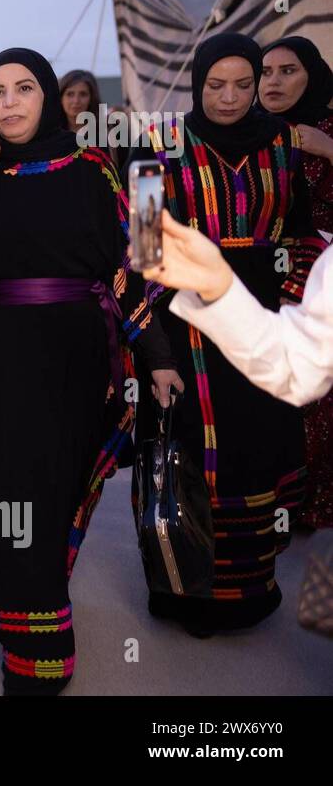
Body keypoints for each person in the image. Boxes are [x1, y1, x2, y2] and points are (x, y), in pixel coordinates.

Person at [0, 48, 176, 694]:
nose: (9, 103)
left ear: (49, 95)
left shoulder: (92, 167)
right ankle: (35, 655)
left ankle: (45, 606)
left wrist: (159, 356)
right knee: (5, 503)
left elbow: (134, 264)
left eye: (24, 88)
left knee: (51, 497)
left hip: (70, 362)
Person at [134, 32, 327, 636]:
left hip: (261, 322)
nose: (231, 97)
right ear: (197, 82)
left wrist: (293, 285)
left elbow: (301, 231)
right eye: (216, 85)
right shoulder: (159, 143)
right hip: (186, 319)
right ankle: (188, 593)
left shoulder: (287, 143)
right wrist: (155, 352)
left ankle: (247, 593)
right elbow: (142, 248)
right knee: (191, 457)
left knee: (252, 454)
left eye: (244, 84)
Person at [142, 210, 333, 408]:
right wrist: (158, 353)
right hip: (192, 314)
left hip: (268, 301)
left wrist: (295, 289)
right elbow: (142, 252)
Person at [260, 35, 333, 528]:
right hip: (258, 273)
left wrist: (329, 149)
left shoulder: (327, 129)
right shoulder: (248, 131)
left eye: (288, 71)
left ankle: (314, 502)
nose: (273, 81)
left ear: (313, 76)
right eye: (265, 72)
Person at [59, 69, 101, 134]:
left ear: (91, 98)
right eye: (70, 94)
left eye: (83, 94)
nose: (76, 101)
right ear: (61, 98)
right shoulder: (49, 134)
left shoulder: (106, 132)